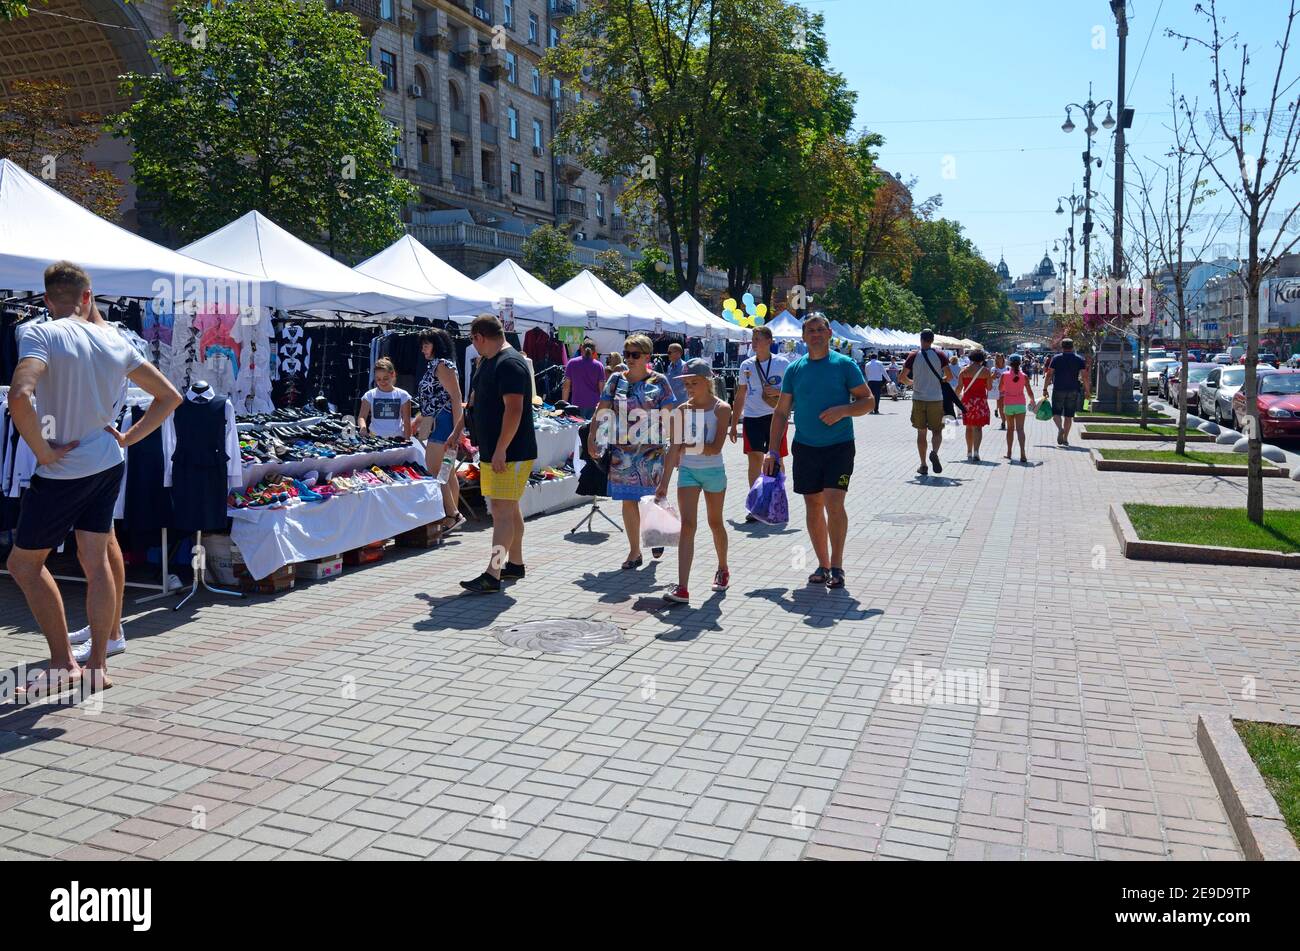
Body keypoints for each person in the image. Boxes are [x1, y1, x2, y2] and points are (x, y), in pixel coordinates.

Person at [7, 262, 181, 699]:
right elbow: (169, 396)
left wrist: (43, 451)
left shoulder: (39, 332)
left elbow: (19, 394)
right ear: (89, 297)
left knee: (23, 565)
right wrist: (129, 437)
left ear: (47, 301)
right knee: (96, 558)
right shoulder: (114, 338)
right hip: (108, 461)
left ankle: (65, 660)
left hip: (63, 469)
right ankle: (97, 664)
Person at [763, 315, 874, 589]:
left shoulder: (844, 365)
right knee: (813, 505)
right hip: (805, 447)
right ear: (803, 337)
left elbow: (868, 400)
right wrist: (772, 451)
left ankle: (837, 566)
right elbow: (780, 413)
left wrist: (844, 410)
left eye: (820, 329)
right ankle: (822, 565)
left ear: (829, 334)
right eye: (810, 330)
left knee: (834, 503)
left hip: (839, 446)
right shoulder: (795, 370)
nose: (815, 334)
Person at [459, 315, 537, 594]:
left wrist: (502, 448)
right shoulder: (486, 362)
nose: (473, 345)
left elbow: (514, 410)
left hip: (511, 451)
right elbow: (475, 402)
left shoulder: (510, 363)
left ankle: (493, 573)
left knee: (501, 511)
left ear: (479, 336)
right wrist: (459, 430)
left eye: (472, 339)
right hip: (496, 450)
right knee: (509, 508)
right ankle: (515, 563)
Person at [588, 333, 677, 569]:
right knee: (628, 501)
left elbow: (668, 415)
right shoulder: (616, 379)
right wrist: (592, 435)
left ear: (647, 356)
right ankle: (634, 551)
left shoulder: (659, 381)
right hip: (622, 452)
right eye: (627, 354)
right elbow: (602, 408)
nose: (629, 359)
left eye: (635, 355)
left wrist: (675, 447)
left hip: (651, 452)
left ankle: (657, 534)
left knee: (651, 500)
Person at [656, 360, 731, 605]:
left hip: (713, 472)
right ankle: (683, 588)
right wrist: (663, 483)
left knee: (715, 522)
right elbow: (673, 451)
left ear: (707, 382)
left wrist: (685, 446)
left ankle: (722, 567)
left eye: (694, 382)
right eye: (686, 383)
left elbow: (715, 448)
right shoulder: (681, 410)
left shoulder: (722, 408)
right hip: (688, 472)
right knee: (687, 526)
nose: (689, 387)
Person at [729, 325, 790, 517]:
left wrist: (778, 392)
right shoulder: (746, 365)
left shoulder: (783, 363)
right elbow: (740, 394)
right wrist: (733, 423)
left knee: (775, 457)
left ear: (769, 341)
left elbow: (792, 392)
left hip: (776, 416)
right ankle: (755, 503)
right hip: (752, 417)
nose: (754, 343)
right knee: (754, 458)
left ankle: (775, 497)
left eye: (758, 339)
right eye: (753, 339)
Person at [414, 328, 465, 533]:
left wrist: (456, 430)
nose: (423, 348)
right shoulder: (436, 365)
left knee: (436, 470)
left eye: (427, 344)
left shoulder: (442, 365)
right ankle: (451, 516)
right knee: (447, 472)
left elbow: (455, 397)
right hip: (436, 421)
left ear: (437, 344)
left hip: (443, 424)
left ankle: (453, 514)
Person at [898, 329, 954, 477]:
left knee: (921, 432)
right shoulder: (940, 355)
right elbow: (949, 376)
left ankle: (923, 465)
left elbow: (902, 378)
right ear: (932, 339)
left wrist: (913, 383)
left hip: (918, 398)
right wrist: (940, 381)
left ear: (921, 339)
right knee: (937, 431)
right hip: (936, 398)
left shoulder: (913, 356)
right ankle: (934, 452)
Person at [1044, 337, 1089, 445]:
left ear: (1062, 347)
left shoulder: (1056, 358)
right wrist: (1087, 391)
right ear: (1072, 347)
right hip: (1073, 389)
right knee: (1069, 415)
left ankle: (1060, 428)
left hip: (1058, 388)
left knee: (1056, 413)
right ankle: (1065, 438)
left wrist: (1045, 388)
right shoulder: (1079, 359)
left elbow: (1049, 374)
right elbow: (1084, 377)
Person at [358, 357, 412, 439]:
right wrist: (363, 428)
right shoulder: (369, 395)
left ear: (393, 374)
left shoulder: (403, 395)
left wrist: (407, 440)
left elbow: (407, 421)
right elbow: (362, 417)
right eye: (378, 379)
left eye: (385, 378)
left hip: (397, 439)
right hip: (375, 440)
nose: (382, 382)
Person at [957, 350, 994, 462]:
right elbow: (989, 388)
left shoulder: (964, 371)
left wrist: (953, 399)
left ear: (971, 358)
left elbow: (959, 388)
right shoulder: (986, 371)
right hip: (980, 401)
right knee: (977, 427)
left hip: (967, 401)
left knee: (968, 426)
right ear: (982, 359)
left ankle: (969, 451)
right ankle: (976, 452)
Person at [1001, 354, 1036, 464]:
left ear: (1009, 363)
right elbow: (1029, 391)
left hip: (1008, 404)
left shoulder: (1004, 375)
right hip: (1020, 403)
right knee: (1020, 429)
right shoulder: (1024, 376)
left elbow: (1000, 388)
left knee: (1010, 429)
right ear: (1020, 362)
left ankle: (1009, 452)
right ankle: (1022, 453)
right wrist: (1033, 400)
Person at [562, 340, 606, 419]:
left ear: (581, 348)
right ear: (594, 351)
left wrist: (564, 405)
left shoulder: (572, 363)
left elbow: (566, 387)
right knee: (591, 430)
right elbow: (602, 389)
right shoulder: (599, 366)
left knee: (577, 430)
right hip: (594, 404)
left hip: (576, 404)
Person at [991, 352, 1007, 430]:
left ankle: (1005, 420)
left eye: (1000, 359)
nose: (999, 361)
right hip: (998, 390)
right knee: (1000, 407)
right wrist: (993, 375)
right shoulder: (993, 369)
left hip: (1007, 390)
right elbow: (991, 379)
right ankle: (1003, 422)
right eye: (998, 359)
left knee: (1006, 407)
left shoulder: (1007, 368)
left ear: (1003, 360)